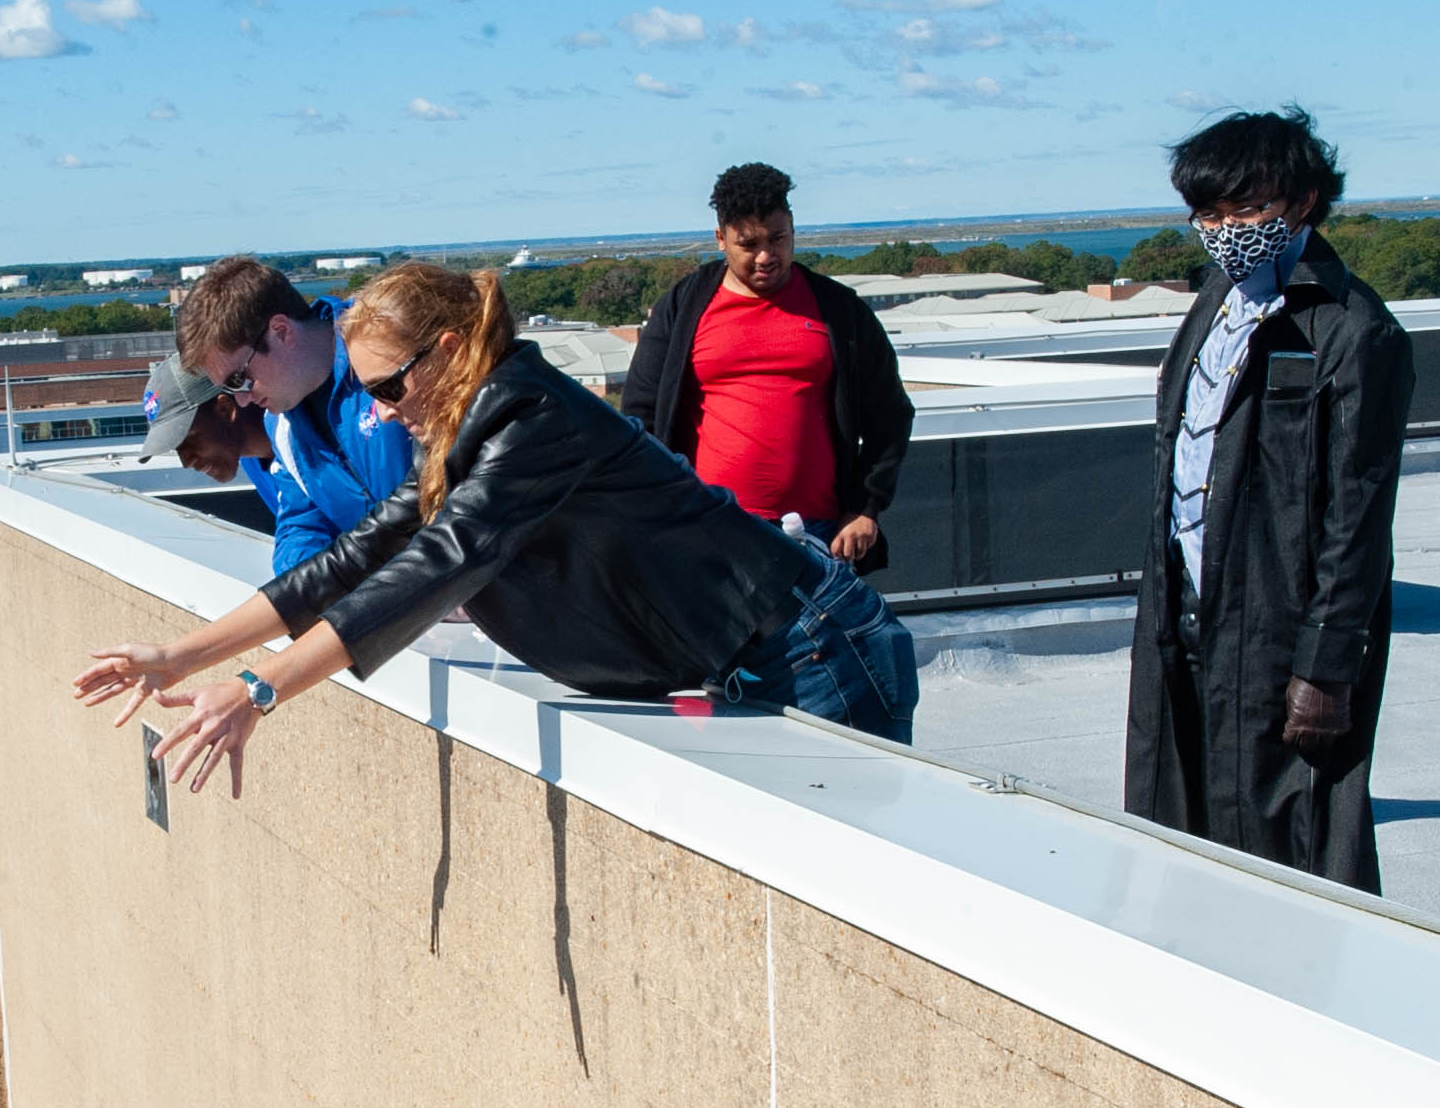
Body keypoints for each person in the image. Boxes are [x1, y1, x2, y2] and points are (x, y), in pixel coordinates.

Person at [76, 262, 918, 797]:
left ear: (447, 353)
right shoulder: (463, 432)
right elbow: (356, 557)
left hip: (811, 644)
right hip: (739, 655)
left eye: (388, 388)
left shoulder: (532, 417)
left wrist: (260, 689)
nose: (379, 411)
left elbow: (443, 562)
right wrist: (179, 656)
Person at [1124, 107, 1414, 892]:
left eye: (1246, 210)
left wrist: (1325, 666)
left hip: (1277, 628)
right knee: (1175, 820)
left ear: (1303, 200)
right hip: (1184, 611)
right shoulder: (1213, 302)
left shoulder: (1351, 331)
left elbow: (1358, 516)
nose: (1225, 231)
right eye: (1208, 214)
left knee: (1285, 843)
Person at [621, 162, 913, 572]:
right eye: (748, 243)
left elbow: (889, 414)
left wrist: (866, 507)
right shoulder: (683, 307)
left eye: (778, 239)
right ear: (720, 239)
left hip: (821, 536)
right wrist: (660, 513)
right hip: (709, 531)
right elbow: (641, 417)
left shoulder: (839, 310)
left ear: (793, 228)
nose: (765, 256)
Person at [174, 256, 414, 573]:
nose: (242, 400)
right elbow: (303, 524)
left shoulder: (395, 353)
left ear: (281, 331)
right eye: (230, 388)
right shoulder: (281, 427)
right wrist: (293, 592)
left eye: (239, 378)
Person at [138, 353, 280, 511]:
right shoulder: (252, 462)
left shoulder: (299, 433)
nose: (186, 462)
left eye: (188, 438)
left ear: (225, 409)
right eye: (176, 447)